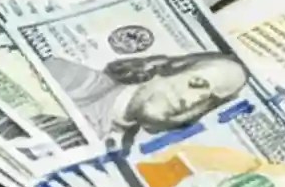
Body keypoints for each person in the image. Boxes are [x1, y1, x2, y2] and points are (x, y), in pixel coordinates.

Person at [44, 51, 249, 144]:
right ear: (165, 69)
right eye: (197, 83)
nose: (193, 100)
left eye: (209, 101)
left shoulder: (119, 148)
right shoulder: (68, 77)